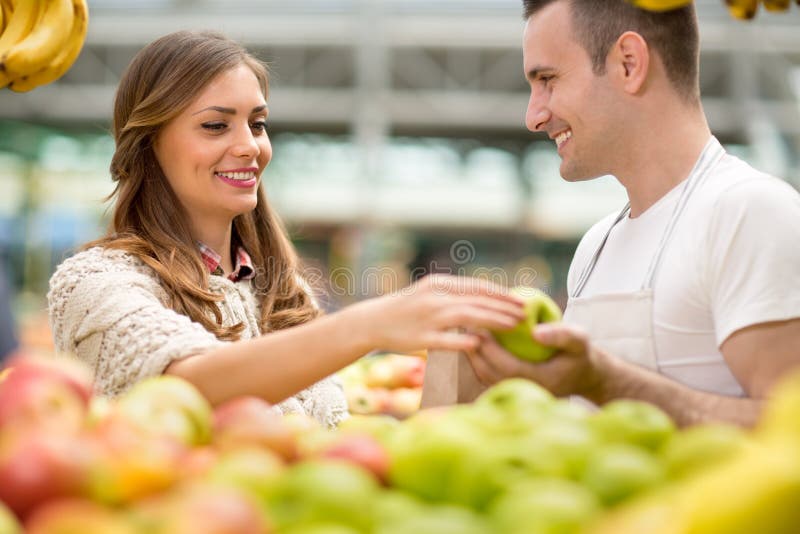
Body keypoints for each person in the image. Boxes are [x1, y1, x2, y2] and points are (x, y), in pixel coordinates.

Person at [47, 30, 524, 428]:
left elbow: (326, 449)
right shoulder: (94, 282)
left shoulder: (283, 294)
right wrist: (371, 323)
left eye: (257, 124)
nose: (249, 147)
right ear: (148, 143)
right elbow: (181, 384)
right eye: (215, 126)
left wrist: (459, 355)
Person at [464, 0, 800, 427]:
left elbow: (792, 433)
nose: (534, 116)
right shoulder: (597, 245)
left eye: (547, 79)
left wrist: (608, 383)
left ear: (628, 64)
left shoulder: (751, 211)